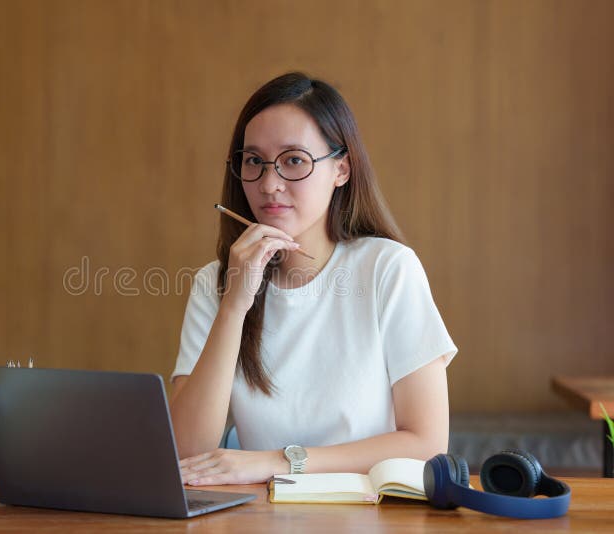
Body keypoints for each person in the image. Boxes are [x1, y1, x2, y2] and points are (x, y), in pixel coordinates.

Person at [169, 72, 458, 487]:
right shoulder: (214, 283)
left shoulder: (388, 268)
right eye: (254, 161)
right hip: (256, 517)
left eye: (293, 161)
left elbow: (427, 443)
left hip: (371, 513)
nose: (269, 185)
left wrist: (277, 462)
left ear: (340, 169)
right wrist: (234, 305)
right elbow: (186, 454)